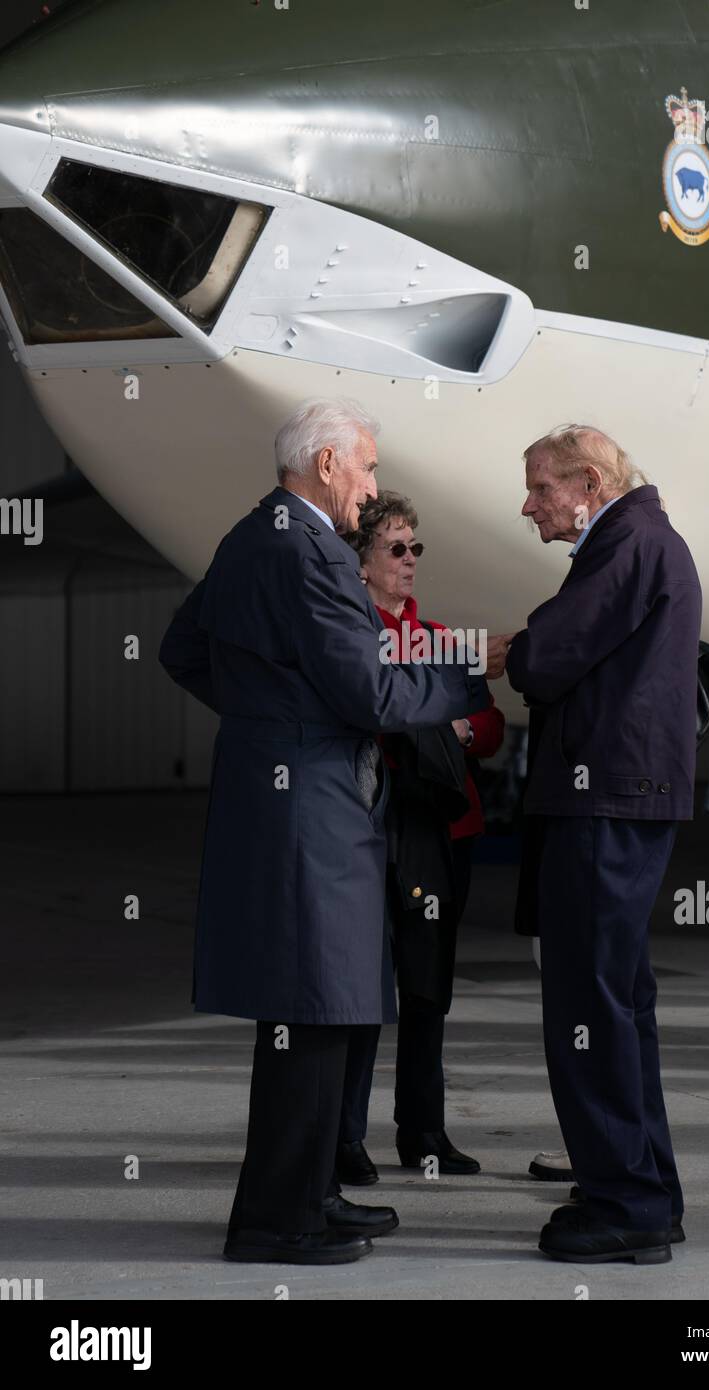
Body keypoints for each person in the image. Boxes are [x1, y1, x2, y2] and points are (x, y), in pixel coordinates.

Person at [159, 397, 489, 1266]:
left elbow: (182, 651)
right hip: (311, 807)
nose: (373, 486)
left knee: (322, 1009)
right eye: (369, 467)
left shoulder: (249, 536)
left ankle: (311, 1193)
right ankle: (276, 1222)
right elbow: (372, 693)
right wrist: (466, 673)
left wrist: (266, 715)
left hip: (293, 794)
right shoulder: (305, 551)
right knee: (310, 1010)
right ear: (329, 465)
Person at [486, 425, 702, 1265]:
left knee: (590, 1005)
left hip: (602, 802)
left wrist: (526, 644)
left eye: (541, 487)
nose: (529, 505)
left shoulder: (626, 543)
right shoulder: (647, 540)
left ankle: (626, 1204)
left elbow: (547, 659)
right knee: (619, 1003)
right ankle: (645, 1188)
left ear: (588, 480)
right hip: (622, 800)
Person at [335, 492, 505, 1184]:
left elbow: (490, 726)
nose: (409, 561)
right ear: (364, 565)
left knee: (428, 990)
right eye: (395, 550)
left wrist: (452, 731)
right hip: (375, 832)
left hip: (443, 830)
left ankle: (424, 1134)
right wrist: (436, 722)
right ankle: (346, 1137)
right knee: (363, 990)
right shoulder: (352, 636)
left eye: (415, 549)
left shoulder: (437, 638)